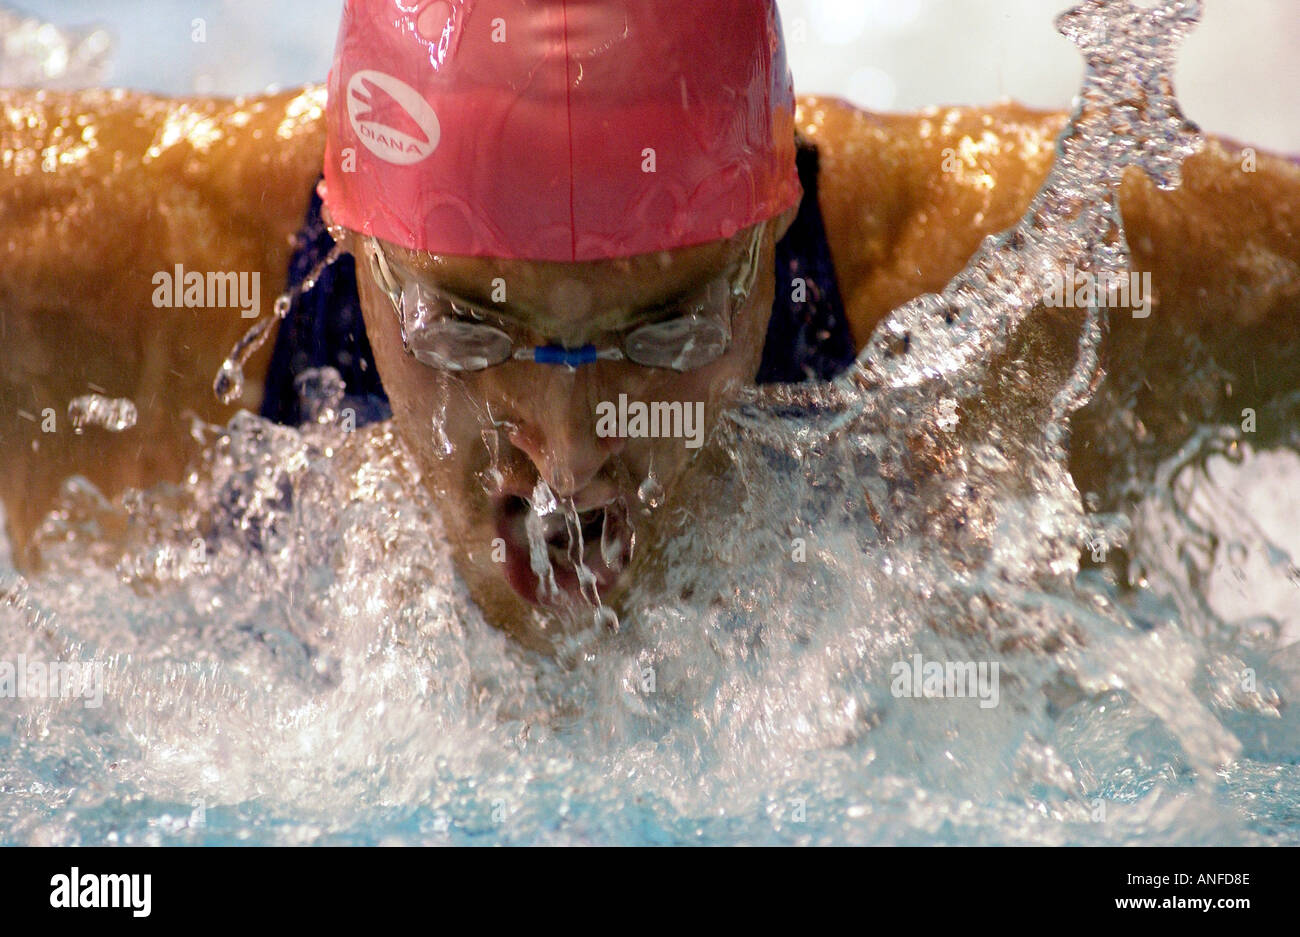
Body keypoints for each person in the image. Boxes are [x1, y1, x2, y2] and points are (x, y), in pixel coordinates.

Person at [1, 0, 1297, 651]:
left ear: (770, 233)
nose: (567, 459)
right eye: (464, 326)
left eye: (667, 328)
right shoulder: (125, 279)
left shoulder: (1012, 280)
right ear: (353, 235)